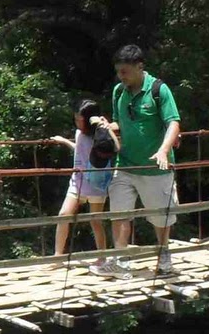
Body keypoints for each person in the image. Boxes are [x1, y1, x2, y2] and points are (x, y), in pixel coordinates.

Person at [95, 44, 182, 278]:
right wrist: (107, 126)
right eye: (118, 71)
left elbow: (173, 122)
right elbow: (120, 123)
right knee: (119, 213)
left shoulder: (158, 90)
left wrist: (164, 150)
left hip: (155, 167)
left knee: (160, 217)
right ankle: (121, 262)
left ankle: (164, 258)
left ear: (139, 67)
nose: (120, 76)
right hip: (125, 164)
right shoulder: (118, 92)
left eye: (125, 71)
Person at [49, 99, 114, 263]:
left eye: (80, 119)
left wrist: (105, 127)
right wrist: (64, 141)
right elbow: (80, 152)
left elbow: (116, 148)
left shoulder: (101, 136)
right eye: (76, 118)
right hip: (77, 181)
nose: (77, 122)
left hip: (96, 183)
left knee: (95, 221)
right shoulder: (79, 133)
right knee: (63, 215)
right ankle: (58, 257)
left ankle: (102, 258)